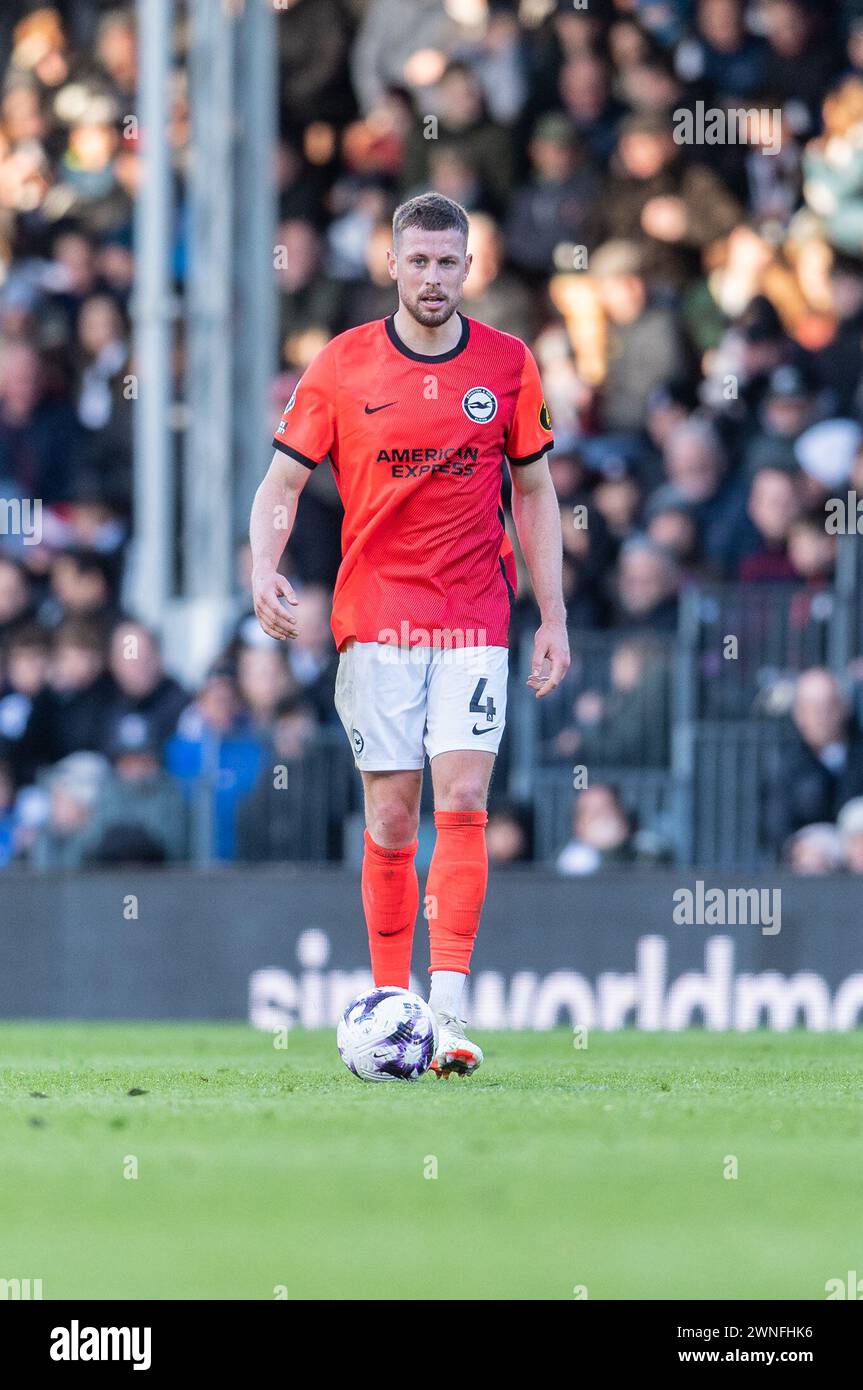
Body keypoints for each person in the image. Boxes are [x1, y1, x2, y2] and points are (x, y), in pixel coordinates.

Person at [250, 191, 569, 1077]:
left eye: (447, 262)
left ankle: (449, 1016)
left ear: (470, 268)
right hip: (376, 619)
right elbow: (280, 486)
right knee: (393, 819)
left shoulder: (507, 364)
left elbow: (535, 494)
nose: (433, 277)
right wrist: (261, 568)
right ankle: (393, 1006)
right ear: (392, 264)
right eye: (418, 261)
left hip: (472, 616)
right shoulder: (343, 365)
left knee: (463, 802)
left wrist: (552, 614)